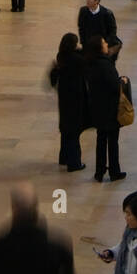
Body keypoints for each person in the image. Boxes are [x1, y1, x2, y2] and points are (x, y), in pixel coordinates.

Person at [86, 35, 125, 182]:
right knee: (113, 142)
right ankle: (114, 171)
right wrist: (122, 81)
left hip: (98, 108)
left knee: (100, 140)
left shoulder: (91, 63)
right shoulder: (105, 64)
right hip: (110, 108)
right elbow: (114, 85)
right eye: (103, 42)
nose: (106, 44)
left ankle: (99, 171)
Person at [49, 33, 87, 171]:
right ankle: (74, 163)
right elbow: (86, 62)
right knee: (74, 133)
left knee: (65, 130)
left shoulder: (61, 57)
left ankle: (63, 157)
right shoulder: (77, 60)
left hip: (64, 98)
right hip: (75, 99)